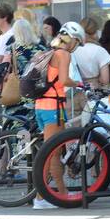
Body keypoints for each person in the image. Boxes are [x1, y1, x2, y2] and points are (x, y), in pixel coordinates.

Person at [33, 26, 81, 208]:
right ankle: (41, 198)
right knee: (51, 153)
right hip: (53, 107)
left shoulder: (49, 52)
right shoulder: (63, 54)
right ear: (73, 40)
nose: (77, 46)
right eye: (77, 42)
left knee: (52, 152)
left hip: (41, 106)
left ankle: (60, 194)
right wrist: (79, 84)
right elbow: (63, 80)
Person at [72, 17, 110, 91]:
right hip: (95, 91)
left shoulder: (72, 50)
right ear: (95, 32)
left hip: (76, 92)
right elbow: (105, 80)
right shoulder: (99, 50)